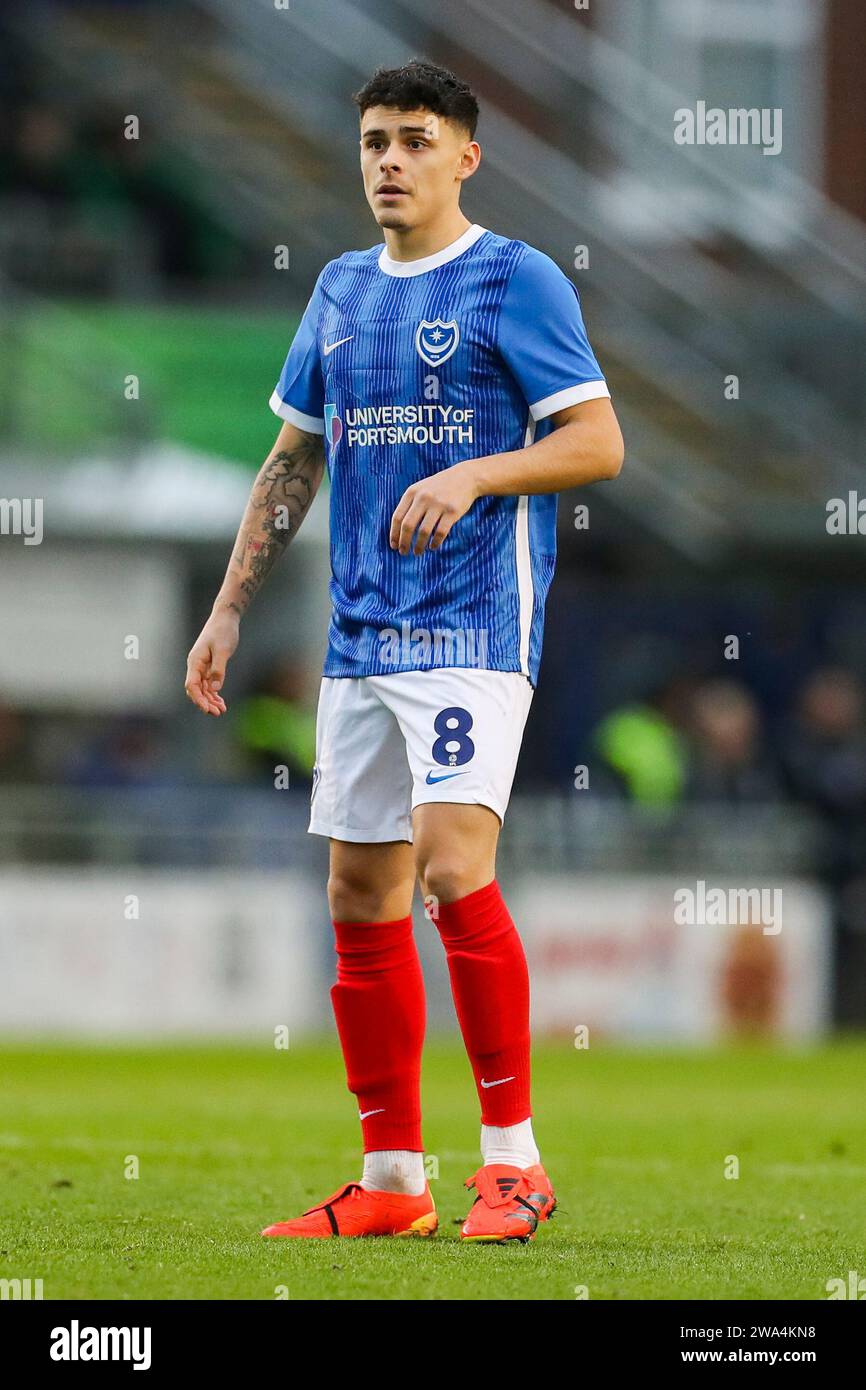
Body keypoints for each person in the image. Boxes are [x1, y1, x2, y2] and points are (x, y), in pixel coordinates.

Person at [185, 60, 623, 1242]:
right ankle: (390, 1182)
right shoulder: (335, 290)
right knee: (358, 887)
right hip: (360, 634)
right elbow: (292, 461)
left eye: (414, 141)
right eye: (373, 139)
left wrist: (477, 467)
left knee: (447, 865)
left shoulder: (513, 279)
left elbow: (597, 441)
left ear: (463, 157)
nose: (387, 159)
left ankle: (513, 1164)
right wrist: (229, 608)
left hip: (475, 620)